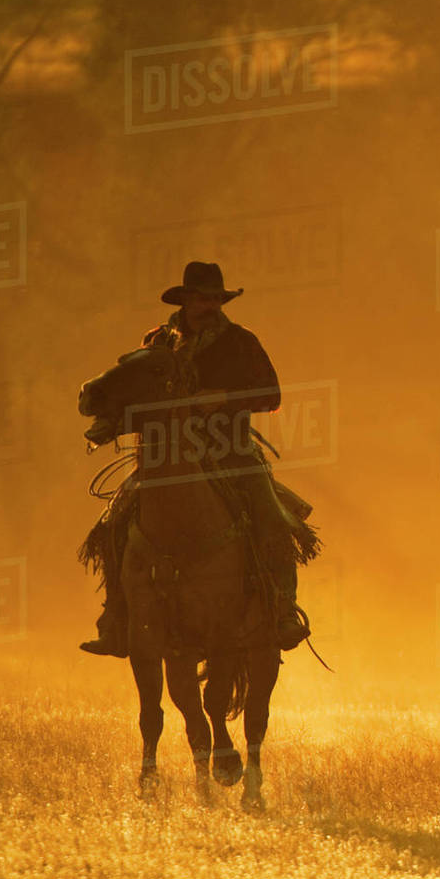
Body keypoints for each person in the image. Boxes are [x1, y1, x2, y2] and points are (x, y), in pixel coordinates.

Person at [80, 260, 312, 656]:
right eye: (202, 299)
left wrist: (223, 398)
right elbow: (137, 393)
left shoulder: (241, 341)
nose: (210, 306)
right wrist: (113, 421)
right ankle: (115, 618)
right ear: (186, 300)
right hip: (163, 459)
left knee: (274, 519)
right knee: (112, 525)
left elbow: (271, 395)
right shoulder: (156, 342)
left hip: (231, 453)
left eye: (215, 300)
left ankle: (281, 610)